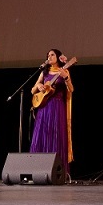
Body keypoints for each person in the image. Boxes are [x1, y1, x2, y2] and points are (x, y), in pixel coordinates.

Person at [29, 49, 74, 178]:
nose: (50, 57)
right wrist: (39, 86)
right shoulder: (44, 72)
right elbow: (33, 90)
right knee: (41, 135)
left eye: (52, 55)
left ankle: (57, 172)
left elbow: (71, 89)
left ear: (59, 57)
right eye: (48, 55)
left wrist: (66, 78)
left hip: (57, 107)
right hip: (43, 108)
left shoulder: (64, 71)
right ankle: (36, 171)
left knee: (55, 135)